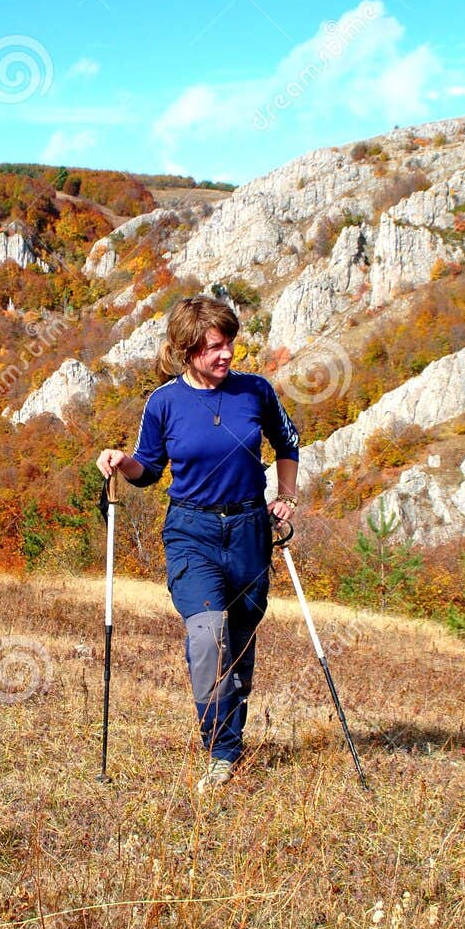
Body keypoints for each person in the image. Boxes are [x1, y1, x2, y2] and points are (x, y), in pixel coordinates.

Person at [96, 294, 300, 789]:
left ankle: (231, 733)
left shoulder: (256, 391)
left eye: (229, 342)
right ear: (187, 350)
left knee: (241, 642)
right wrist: (122, 462)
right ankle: (221, 751)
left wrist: (287, 497)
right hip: (192, 532)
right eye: (213, 346)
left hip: (250, 530)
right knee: (208, 636)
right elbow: (148, 470)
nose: (226, 353)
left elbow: (288, 443)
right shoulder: (164, 402)